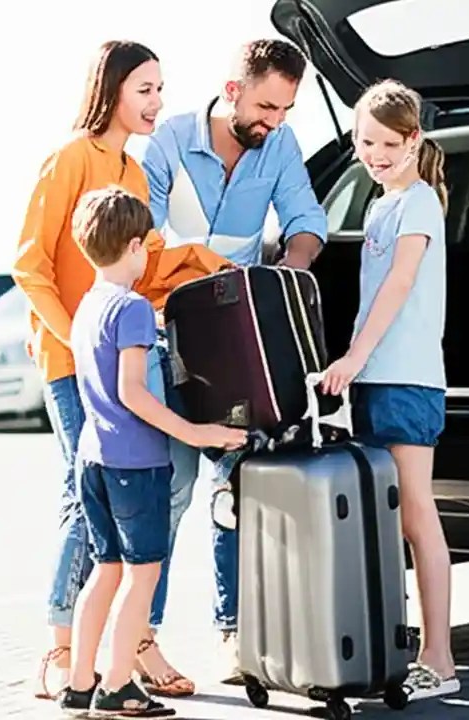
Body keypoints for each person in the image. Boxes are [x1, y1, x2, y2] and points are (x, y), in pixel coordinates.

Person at [139, 37, 328, 684]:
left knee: (236, 489)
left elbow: (305, 219)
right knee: (169, 490)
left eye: (286, 110)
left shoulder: (279, 146)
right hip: (169, 337)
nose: (276, 122)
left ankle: (236, 638)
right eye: (268, 107)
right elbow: (149, 240)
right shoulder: (165, 144)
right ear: (232, 91)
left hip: (240, 342)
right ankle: (141, 639)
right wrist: (215, 270)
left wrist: (290, 271)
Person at [12, 39, 191, 699]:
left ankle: (134, 640)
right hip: (69, 359)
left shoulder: (135, 174)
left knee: (150, 497)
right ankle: (62, 651)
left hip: (122, 359)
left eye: (160, 89)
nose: (156, 102)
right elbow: (29, 265)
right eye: (145, 88)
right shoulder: (67, 159)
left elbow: (153, 264)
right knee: (80, 495)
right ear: (111, 89)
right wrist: (81, 344)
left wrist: (220, 265)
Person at [57, 185, 247, 717]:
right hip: (135, 465)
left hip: (92, 460)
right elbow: (132, 391)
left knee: (107, 569)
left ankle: (78, 682)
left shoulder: (86, 307)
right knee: (143, 574)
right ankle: (117, 686)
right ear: (137, 247)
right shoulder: (134, 307)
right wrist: (197, 434)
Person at [319, 78, 460, 702]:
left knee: (417, 515)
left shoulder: (419, 201)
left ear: (412, 140)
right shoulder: (378, 205)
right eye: (363, 141)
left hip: (405, 377)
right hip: (376, 378)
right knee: (390, 518)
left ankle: (441, 658)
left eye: (383, 142)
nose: (371, 153)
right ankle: (392, 649)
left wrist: (353, 355)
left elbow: (399, 286)